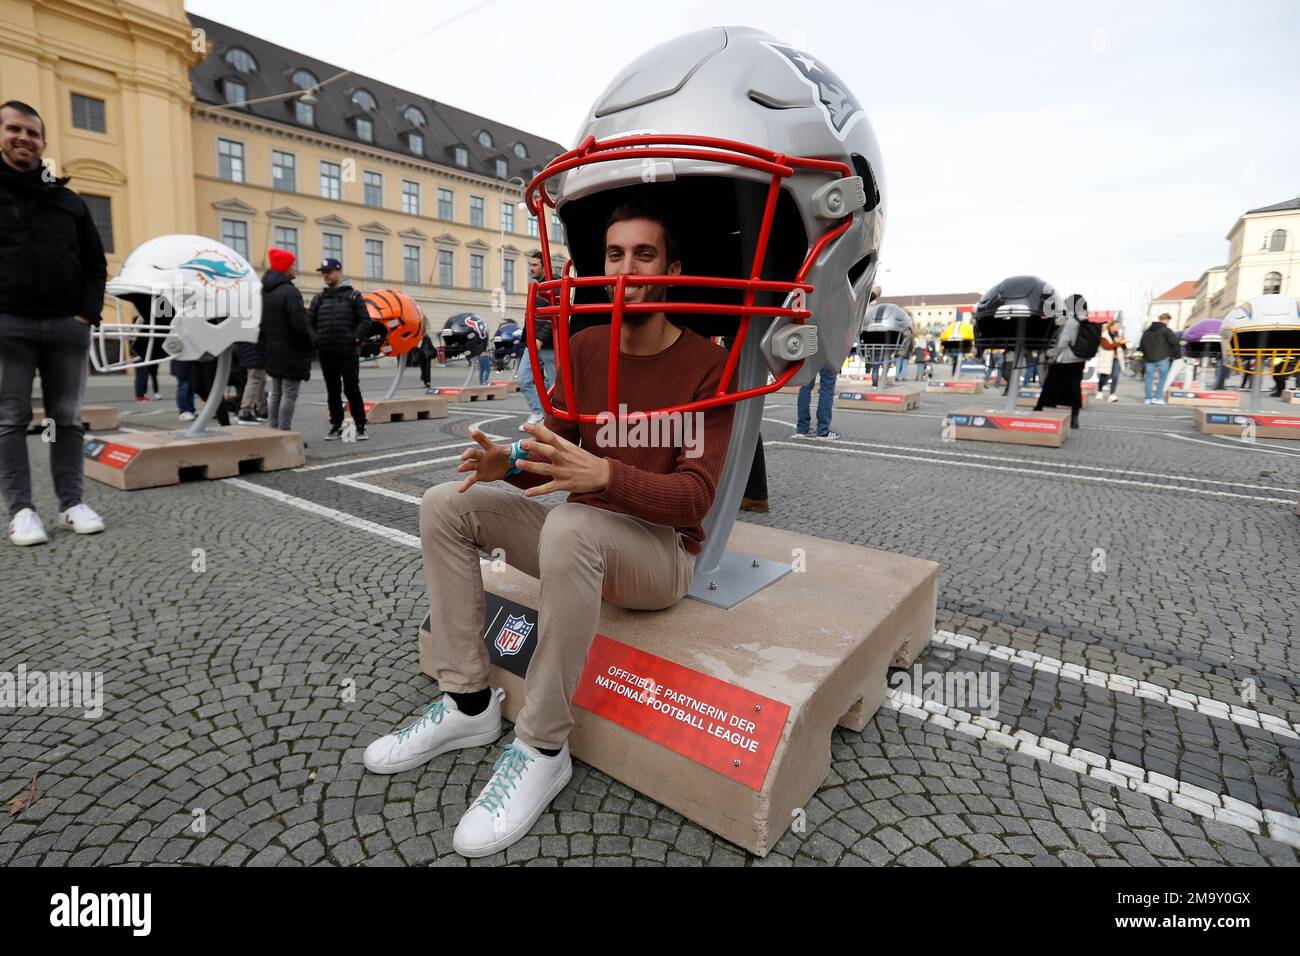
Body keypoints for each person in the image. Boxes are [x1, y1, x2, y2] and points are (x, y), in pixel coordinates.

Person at [363, 202, 735, 858]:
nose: (625, 269)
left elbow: (694, 500)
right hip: (584, 535)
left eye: (643, 255)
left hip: (659, 553)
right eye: (614, 255)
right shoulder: (588, 348)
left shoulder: (707, 362)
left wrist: (605, 474)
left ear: (672, 269)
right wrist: (506, 464)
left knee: (574, 526)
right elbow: (555, 463)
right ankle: (468, 703)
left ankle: (541, 745)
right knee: (446, 502)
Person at [0, 100, 107, 546]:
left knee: (68, 417)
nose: (24, 138)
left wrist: (87, 313)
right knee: (10, 418)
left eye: (32, 132)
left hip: (67, 324)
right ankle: (22, 511)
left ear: (43, 142)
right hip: (9, 324)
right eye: (13, 129)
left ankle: (71, 503)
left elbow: (94, 263)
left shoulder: (69, 201)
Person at [307, 256, 370, 440]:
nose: (326, 275)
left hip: (347, 351)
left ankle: (360, 426)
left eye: (329, 272)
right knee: (332, 389)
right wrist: (316, 339)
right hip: (326, 352)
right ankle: (336, 425)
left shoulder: (353, 296)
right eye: (323, 272)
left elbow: (365, 320)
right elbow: (308, 323)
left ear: (339, 272)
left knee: (351, 388)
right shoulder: (319, 299)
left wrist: (355, 338)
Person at [260, 248, 311, 432]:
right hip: (292, 350)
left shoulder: (265, 291)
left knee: (276, 393)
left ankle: (273, 431)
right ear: (285, 268)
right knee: (289, 394)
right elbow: (299, 324)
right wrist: (309, 342)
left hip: (273, 349)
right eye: (293, 265)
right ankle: (284, 432)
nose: (295, 269)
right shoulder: (290, 292)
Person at [517, 250, 556, 430]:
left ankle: (552, 420)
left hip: (548, 345)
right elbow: (530, 316)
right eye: (530, 265)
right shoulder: (536, 286)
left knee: (554, 385)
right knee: (524, 378)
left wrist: (541, 338)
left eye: (534, 265)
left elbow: (555, 314)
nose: (531, 268)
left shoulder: (553, 283)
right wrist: (526, 338)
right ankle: (539, 412)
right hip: (532, 343)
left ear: (543, 266)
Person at [1034, 308, 1086, 429]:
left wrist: (1052, 354)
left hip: (1064, 359)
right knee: (1074, 388)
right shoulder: (1082, 320)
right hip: (1078, 360)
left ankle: (1039, 408)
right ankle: (1074, 418)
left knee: (1050, 384)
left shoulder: (1070, 321)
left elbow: (1063, 341)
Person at [235, 293, 270, 424]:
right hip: (257, 350)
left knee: (259, 380)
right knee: (255, 380)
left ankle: (262, 410)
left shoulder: (243, 314)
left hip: (248, 351)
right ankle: (245, 412)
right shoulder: (258, 313)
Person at [1139, 312, 1179, 405]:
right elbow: (1174, 342)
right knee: (1162, 377)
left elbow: (1141, 345)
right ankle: (1157, 398)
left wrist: (1145, 356)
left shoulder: (1147, 331)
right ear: (1166, 320)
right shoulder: (1167, 330)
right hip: (1163, 358)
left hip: (1149, 359)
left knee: (1148, 378)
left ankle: (1148, 398)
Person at [795, 363, 840, 439]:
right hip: (827, 354)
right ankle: (823, 430)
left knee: (805, 386)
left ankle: (802, 429)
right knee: (827, 387)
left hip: (809, 353)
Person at [1097, 319, 1126, 402]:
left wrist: (1123, 343)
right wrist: (1118, 342)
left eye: (1119, 326)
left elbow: (1124, 347)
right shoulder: (1104, 335)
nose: (1118, 328)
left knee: (1115, 376)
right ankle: (1099, 391)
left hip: (1116, 359)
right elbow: (1107, 346)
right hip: (1106, 358)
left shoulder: (1119, 335)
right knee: (1104, 376)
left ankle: (1112, 394)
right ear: (1111, 326)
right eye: (1116, 326)